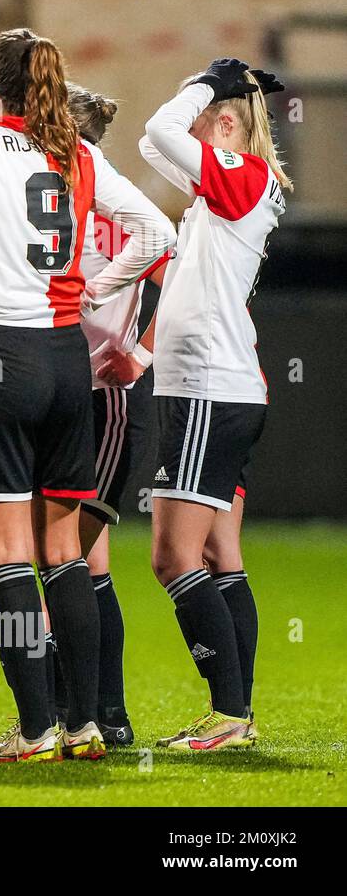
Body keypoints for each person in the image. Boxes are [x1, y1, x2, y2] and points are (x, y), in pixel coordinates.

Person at [0, 28, 175, 762]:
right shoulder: (78, 153)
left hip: (1, 354)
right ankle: (84, 725)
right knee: (67, 558)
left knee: (6, 564)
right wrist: (93, 287)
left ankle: (32, 731)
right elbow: (156, 232)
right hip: (66, 358)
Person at [116, 58, 289, 750]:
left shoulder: (243, 178)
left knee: (172, 558)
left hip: (209, 393)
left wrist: (205, 80)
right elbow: (156, 143)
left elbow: (155, 130)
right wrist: (140, 355)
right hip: (223, 387)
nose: (191, 127)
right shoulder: (230, 193)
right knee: (220, 552)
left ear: (223, 123)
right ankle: (235, 715)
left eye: (205, 118)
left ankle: (229, 713)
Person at [63, 83, 171, 747]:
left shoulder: (106, 206)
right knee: (75, 560)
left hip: (98, 393)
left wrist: (139, 354)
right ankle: (86, 709)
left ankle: (101, 708)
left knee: (75, 558)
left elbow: (180, 274)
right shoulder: (62, 201)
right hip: (53, 388)